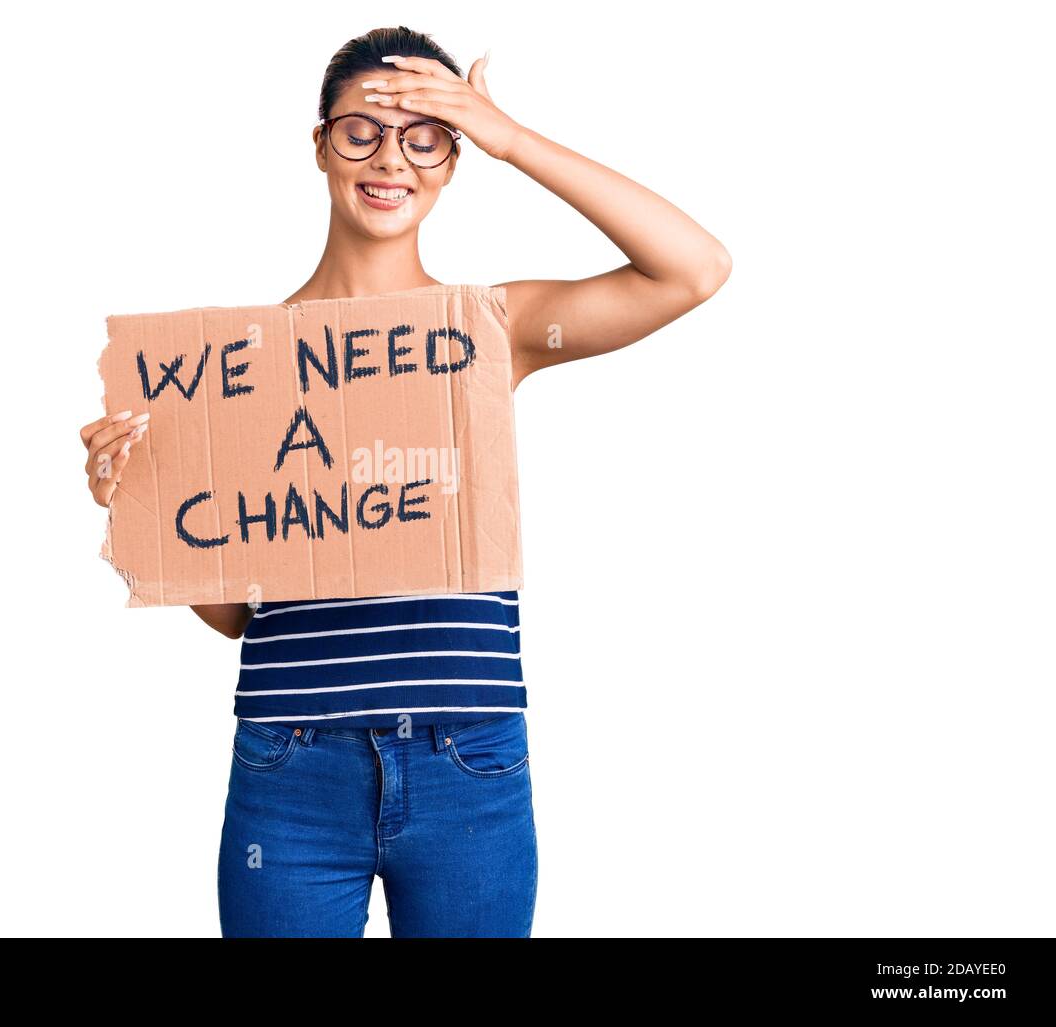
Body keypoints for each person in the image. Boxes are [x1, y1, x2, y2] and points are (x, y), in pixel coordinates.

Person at [79, 26, 730, 937]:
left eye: (424, 135)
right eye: (362, 133)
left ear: (451, 161)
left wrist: (507, 135)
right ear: (319, 145)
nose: (392, 159)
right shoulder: (234, 366)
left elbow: (693, 268)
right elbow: (237, 617)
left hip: (467, 762)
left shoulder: (490, 330)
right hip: (291, 768)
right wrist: (145, 512)